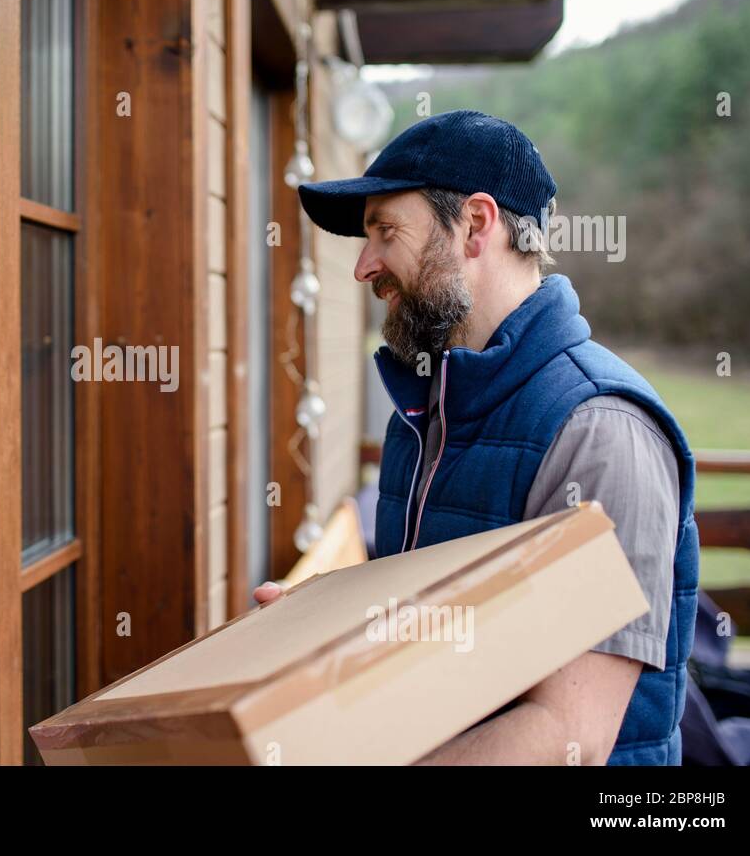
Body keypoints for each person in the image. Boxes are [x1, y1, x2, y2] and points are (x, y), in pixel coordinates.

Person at [256, 110, 699, 765]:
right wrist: (328, 627)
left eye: (384, 231)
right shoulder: (426, 410)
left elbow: (565, 734)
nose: (363, 266)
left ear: (474, 225)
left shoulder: (601, 430)